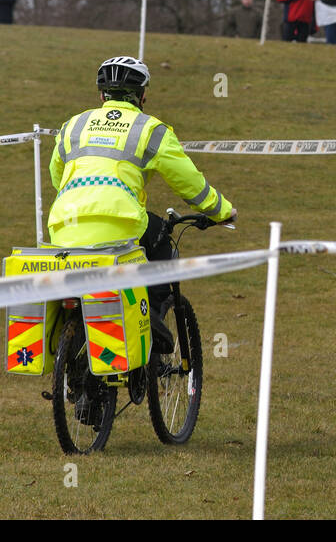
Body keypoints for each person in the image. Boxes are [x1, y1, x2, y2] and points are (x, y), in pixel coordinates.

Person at [48, 57, 237, 348]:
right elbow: (190, 183)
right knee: (161, 237)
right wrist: (221, 211)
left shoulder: (74, 125)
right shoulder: (151, 130)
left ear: (101, 95)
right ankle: (153, 320)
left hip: (63, 225)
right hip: (121, 225)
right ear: (143, 95)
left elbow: (56, 175)